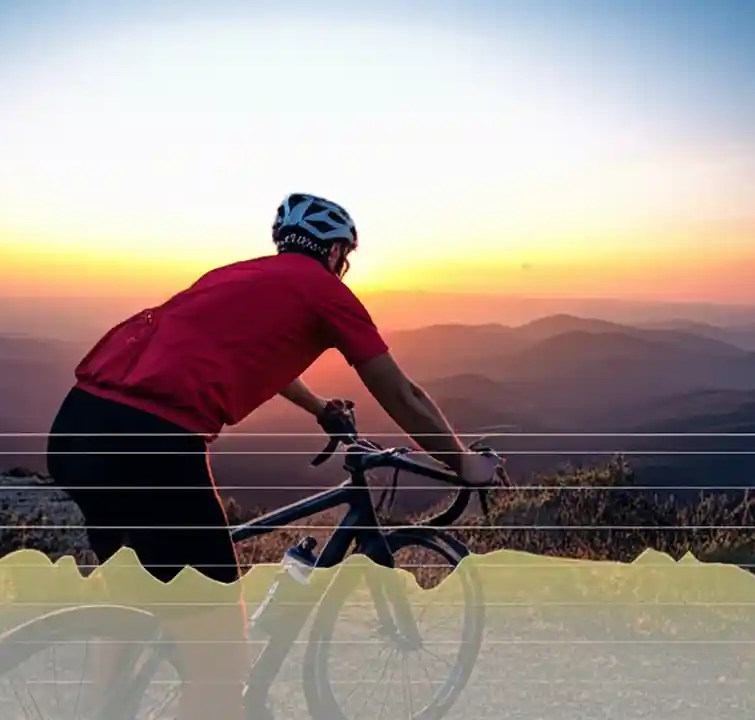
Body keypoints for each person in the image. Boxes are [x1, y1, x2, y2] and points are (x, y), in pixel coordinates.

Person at [46, 192, 506, 719]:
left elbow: (251, 351)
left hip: (78, 425)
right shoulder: (326, 292)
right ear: (336, 254)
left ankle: (102, 710)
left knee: (132, 598)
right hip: (152, 442)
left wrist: (316, 406)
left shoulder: (234, 276)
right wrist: (464, 461)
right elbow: (403, 395)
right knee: (221, 650)